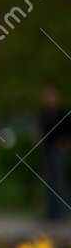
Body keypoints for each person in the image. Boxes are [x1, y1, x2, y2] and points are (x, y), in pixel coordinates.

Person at [41, 85, 70, 222]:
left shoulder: (61, 113)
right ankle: (50, 213)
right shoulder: (44, 113)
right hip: (47, 149)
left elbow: (65, 131)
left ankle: (61, 213)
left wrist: (64, 144)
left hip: (57, 149)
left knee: (59, 181)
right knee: (49, 181)